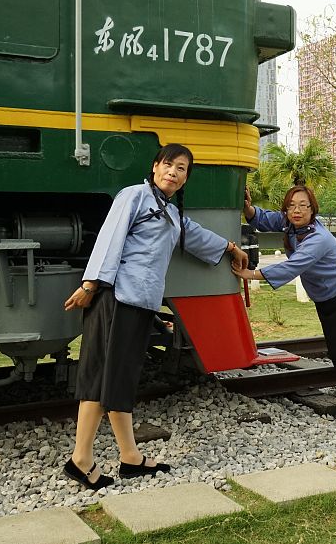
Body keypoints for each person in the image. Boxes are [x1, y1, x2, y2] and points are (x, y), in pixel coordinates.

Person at [62, 143, 248, 490]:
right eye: (168, 165)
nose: (173, 173)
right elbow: (110, 237)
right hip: (116, 296)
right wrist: (90, 284)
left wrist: (232, 249)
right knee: (102, 377)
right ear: (155, 166)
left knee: (118, 378)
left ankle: (129, 457)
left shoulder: (171, 213)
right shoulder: (133, 196)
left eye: (181, 169)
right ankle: (81, 458)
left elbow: (194, 236)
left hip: (139, 302)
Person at [236, 185, 336, 424]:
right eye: (291, 205)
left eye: (303, 205)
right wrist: (248, 208)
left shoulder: (318, 238)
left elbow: (293, 266)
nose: (296, 210)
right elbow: (265, 219)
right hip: (329, 296)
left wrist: (251, 274)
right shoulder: (290, 224)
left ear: (313, 209)